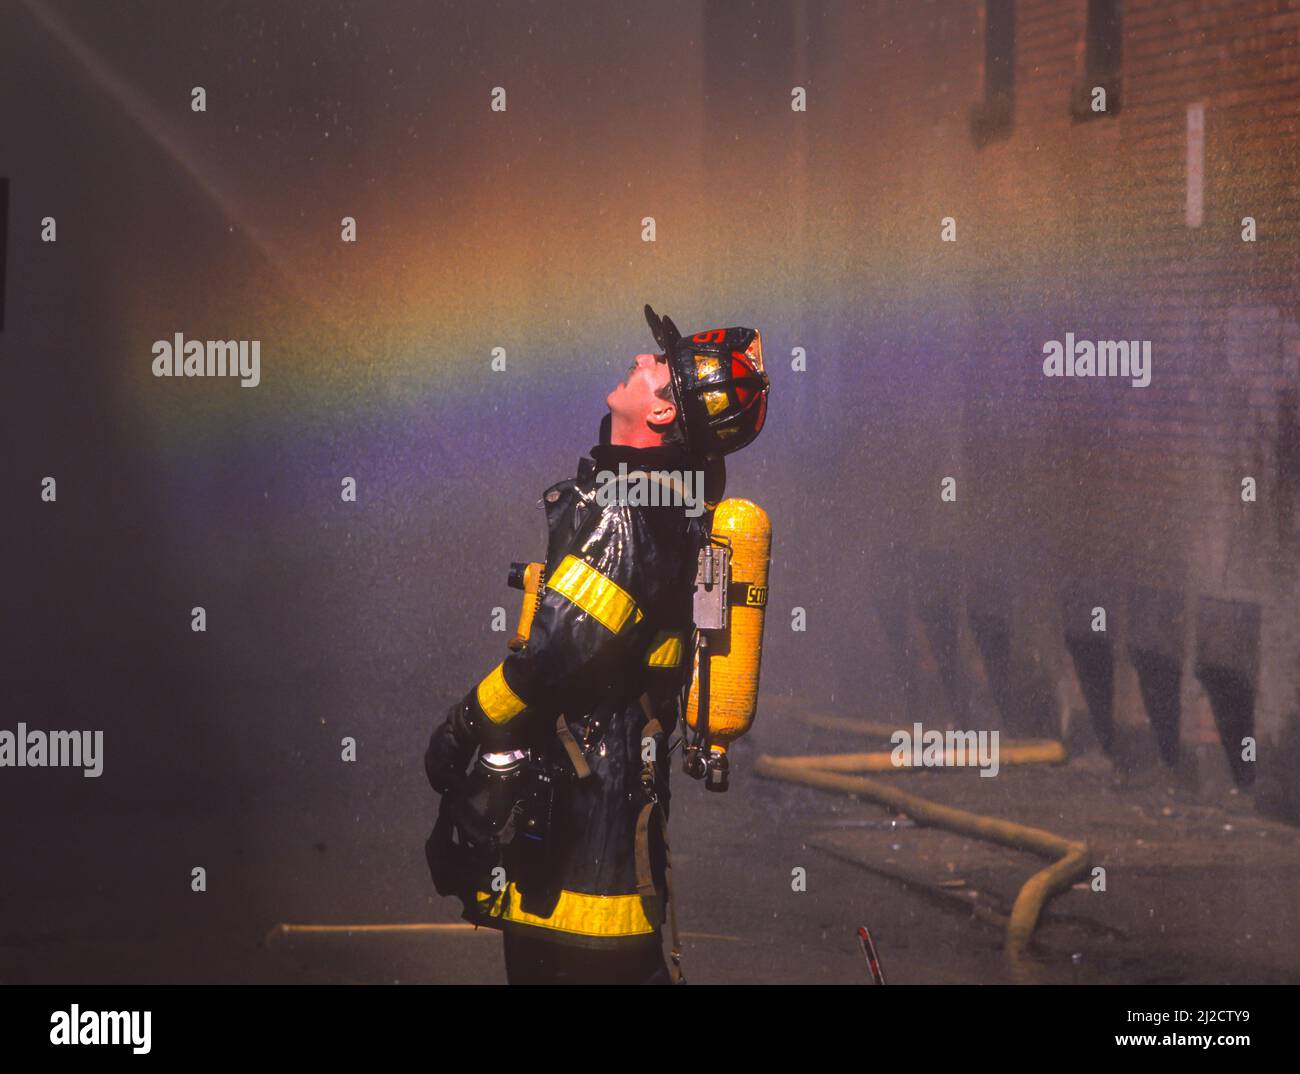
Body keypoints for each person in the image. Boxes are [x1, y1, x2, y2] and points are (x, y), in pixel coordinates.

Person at [424, 305, 768, 984]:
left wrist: (463, 727)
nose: (640, 361)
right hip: (606, 844)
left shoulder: (624, 511)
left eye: (656, 367)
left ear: (665, 415)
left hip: (579, 855)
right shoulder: (669, 502)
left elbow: (554, 656)